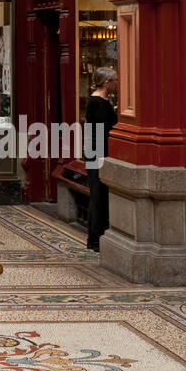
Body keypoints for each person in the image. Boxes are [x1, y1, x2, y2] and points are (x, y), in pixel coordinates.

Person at [84, 66, 118, 251]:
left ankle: (97, 236)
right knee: (98, 195)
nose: (117, 84)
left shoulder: (103, 100)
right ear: (107, 82)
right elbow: (100, 131)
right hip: (97, 153)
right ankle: (95, 238)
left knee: (100, 195)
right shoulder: (97, 102)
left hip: (97, 152)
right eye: (115, 80)